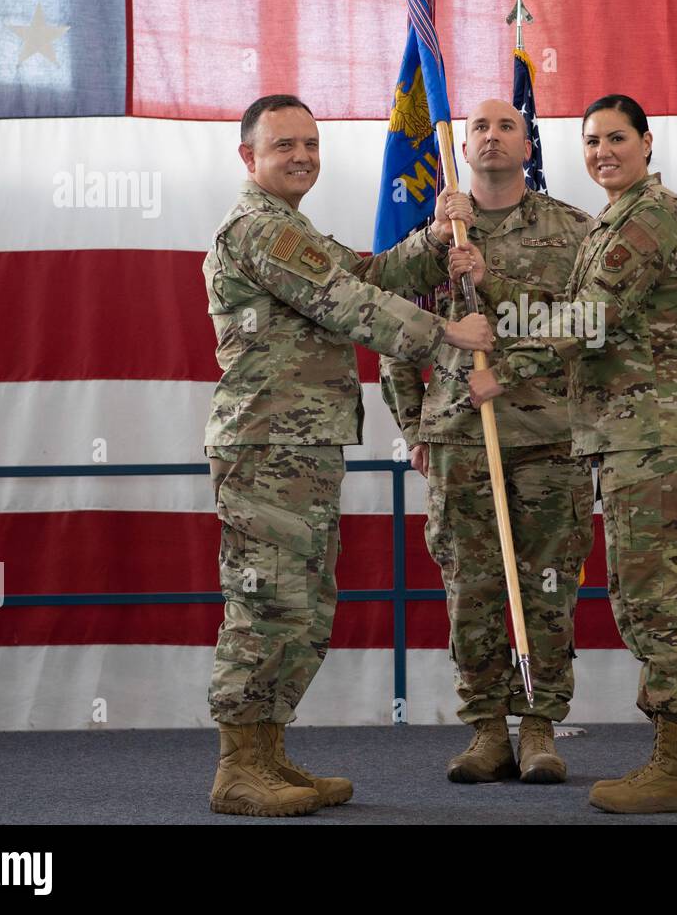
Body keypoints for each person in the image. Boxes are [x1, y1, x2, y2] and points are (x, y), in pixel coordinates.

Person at [202, 94, 493, 816]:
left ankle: (266, 751)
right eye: (283, 146)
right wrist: (444, 336)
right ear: (249, 158)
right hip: (266, 447)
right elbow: (344, 301)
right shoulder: (259, 229)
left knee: (302, 605)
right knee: (266, 600)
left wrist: (430, 242)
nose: (302, 156)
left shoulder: (290, 226)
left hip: (301, 444)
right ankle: (238, 765)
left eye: (310, 143)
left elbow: (364, 273)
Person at [461, 94, 677, 814]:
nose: (603, 151)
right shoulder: (613, 218)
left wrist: (500, 372)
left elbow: (588, 319)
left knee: (657, 597)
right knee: (640, 594)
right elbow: (575, 304)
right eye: (591, 140)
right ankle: (671, 757)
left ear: (646, 142)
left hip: (655, 426)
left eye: (616, 138)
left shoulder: (652, 215)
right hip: (626, 428)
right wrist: (491, 281)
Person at [380, 98, 595, 784]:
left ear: (528, 145)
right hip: (460, 440)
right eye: (479, 127)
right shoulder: (434, 234)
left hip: (548, 435)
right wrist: (414, 424)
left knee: (547, 588)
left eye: (508, 126)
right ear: (462, 148)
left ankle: (538, 727)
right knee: (470, 588)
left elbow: (591, 324)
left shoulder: (573, 231)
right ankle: (485, 730)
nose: (493, 136)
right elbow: (391, 329)